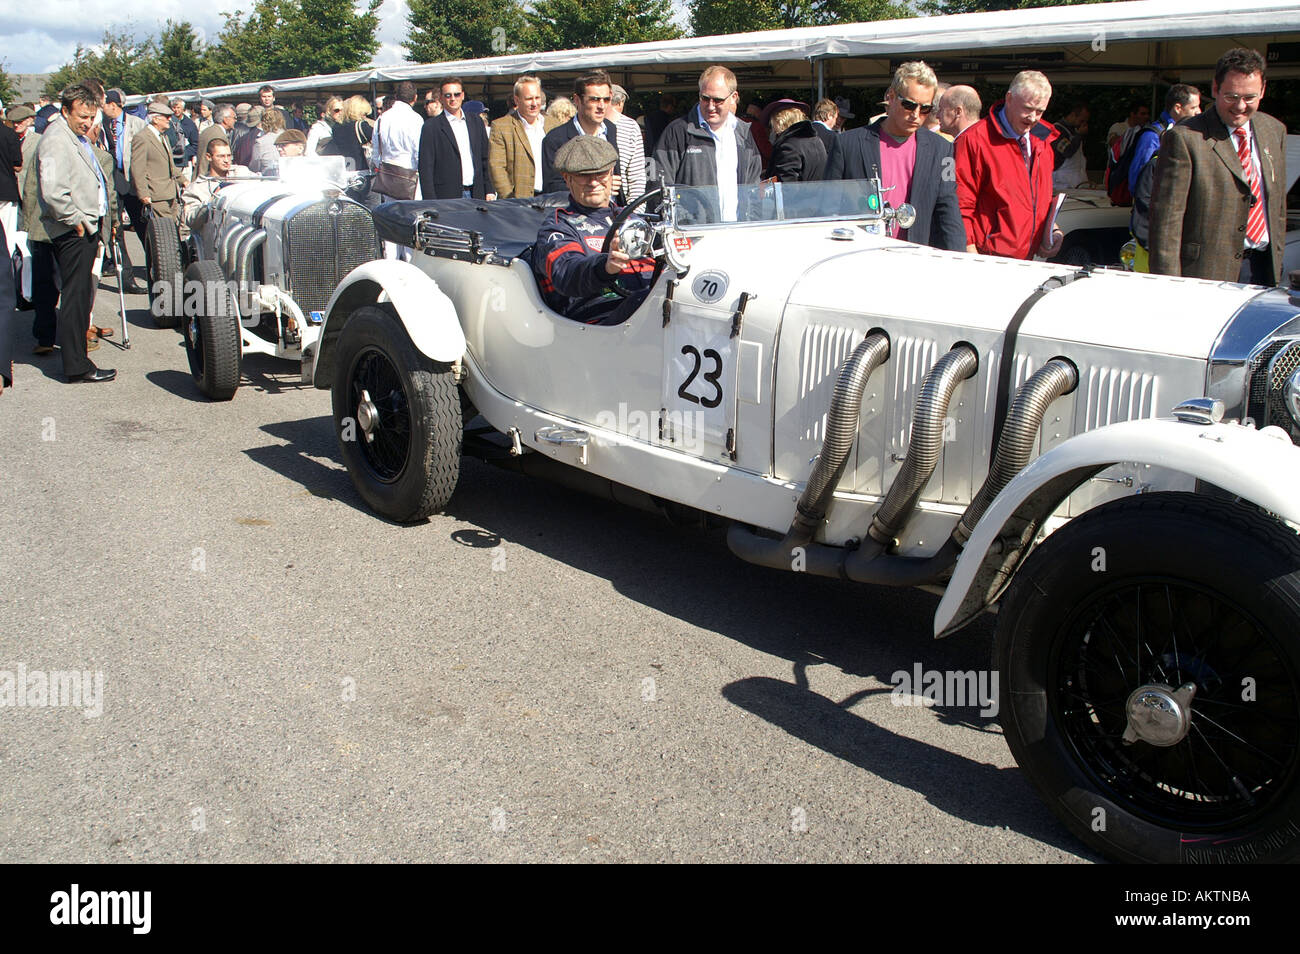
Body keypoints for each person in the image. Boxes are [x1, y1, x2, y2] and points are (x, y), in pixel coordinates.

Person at [1149, 49, 1286, 286]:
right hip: (1207, 274)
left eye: (1250, 97)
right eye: (1231, 96)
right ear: (1215, 89)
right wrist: (1167, 286)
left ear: (1263, 90)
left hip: (1265, 270)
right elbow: (1166, 224)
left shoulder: (1275, 130)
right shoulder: (1185, 138)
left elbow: (1277, 206)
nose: (1240, 106)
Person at [827, 62, 965, 251]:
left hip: (916, 257)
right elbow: (828, 208)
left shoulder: (941, 149)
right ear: (891, 97)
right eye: (909, 105)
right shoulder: (847, 144)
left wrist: (959, 260)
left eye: (925, 109)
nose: (916, 114)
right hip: (860, 255)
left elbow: (949, 212)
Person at [34, 85, 115, 382]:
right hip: (73, 230)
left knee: (79, 297)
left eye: (91, 117)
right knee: (75, 298)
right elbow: (53, 191)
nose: (87, 122)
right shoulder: (56, 140)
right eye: (82, 116)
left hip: (83, 226)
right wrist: (76, 220)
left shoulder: (72, 136)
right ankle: (76, 365)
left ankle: (77, 361)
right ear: (65, 110)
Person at [533, 135, 654, 326]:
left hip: (648, 309)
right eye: (584, 175)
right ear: (567, 178)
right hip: (597, 319)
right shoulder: (559, 226)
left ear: (611, 173)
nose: (594, 182)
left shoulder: (631, 219)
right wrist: (605, 266)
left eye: (601, 174)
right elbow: (566, 272)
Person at [954, 69, 1063, 259]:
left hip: (1027, 259)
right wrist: (969, 254)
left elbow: (1036, 200)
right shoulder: (974, 140)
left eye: (1040, 111)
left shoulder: (1043, 143)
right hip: (987, 257)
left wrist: (1052, 229)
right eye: (1028, 108)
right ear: (1009, 98)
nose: (1033, 117)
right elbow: (960, 203)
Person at [652, 65, 762, 222]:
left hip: (737, 234)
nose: (710, 106)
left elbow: (754, 190)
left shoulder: (743, 133)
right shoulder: (677, 131)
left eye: (717, 100)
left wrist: (752, 225)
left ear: (734, 97)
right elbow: (658, 188)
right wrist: (686, 223)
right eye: (705, 98)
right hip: (692, 237)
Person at [1126, 84, 1201, 273]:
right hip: (1151, 243)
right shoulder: (1153, 136)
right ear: (1178, 108)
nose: (1199, 112)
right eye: (1194, 108)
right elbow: (1139, 184)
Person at [541, 70, 622, 196]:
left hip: (613, 211)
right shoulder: (555, 139)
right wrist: (597, 187)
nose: (601, 106)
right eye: (594, 100)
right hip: (576, 213)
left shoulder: (611, 129)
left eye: (606, 100)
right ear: (577, 100)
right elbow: (552, 188)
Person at [418, 78, 494, 200]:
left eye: (457, 94)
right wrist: (431, 202)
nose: (453, 99)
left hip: (477, 193)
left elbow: (485, 158)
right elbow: (426, 169)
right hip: (447, 197)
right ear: (441, 98)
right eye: (448, 95)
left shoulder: (476, 122)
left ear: (463, 95)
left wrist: (490, 189)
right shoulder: (431, 127)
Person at [488, 75, 559, 199]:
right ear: (517, 100)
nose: (534, 103)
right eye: (529, 99)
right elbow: (496, 167)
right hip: (519, 201)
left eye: (537, 98)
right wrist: (510, 199)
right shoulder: (501, 126)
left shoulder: (553, 124)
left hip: (552, 198)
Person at [131, 100, 185, 220]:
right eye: (166, 117)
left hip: (170, 193)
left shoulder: (164, 137)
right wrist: (143, 194)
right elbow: (137, 169)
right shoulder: (142, 138)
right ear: (155, 119)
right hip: (156, 195)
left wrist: (184, 181)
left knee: (173, 230)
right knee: (165, 233)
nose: (169, 120)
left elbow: (170, 165)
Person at [182, 138, 249, 233]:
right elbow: (190, 220)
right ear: (209, 157)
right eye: (221, 156)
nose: (226, 160)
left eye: (229, 156)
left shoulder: (243, 173)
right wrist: (210, 202)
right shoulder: (197, 188)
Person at [766, 106, 826, 183]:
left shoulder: (789, 146)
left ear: (779, 122)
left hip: (800, 194)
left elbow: (787, 184)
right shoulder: (817, 141)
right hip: (820, 193)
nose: (773, 130)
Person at [609, 85, 647, 200]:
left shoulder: (631, 126)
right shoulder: (631, 126)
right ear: (620, 103)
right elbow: (637, 178)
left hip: (621, 207)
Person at [1051, 101, 1090, 190]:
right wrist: (1079, 135)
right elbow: (1068, 151)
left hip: (1078, 180)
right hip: (1062, 181)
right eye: (1082, 120)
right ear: (1072, 115)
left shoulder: (1075, 130)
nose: (1083, 124)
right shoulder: (1056, 131)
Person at [332, 95, 375, 175]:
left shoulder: (336, 127)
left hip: (343, 169)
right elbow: (379, 140)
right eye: (364, 113)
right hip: (360, 170)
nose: (365, 116)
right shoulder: (361, 125)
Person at [196, 104, 236, 177]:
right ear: (225, 119)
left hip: (201, 175)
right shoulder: (219, 136)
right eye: (234, 117)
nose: (235, 120)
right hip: (211, 178)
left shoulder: (207, 131)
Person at [247, 107, 286, 175]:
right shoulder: (292, 137)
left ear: (264, 123)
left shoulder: (260, 142)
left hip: (269, 179)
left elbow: (254, 167)